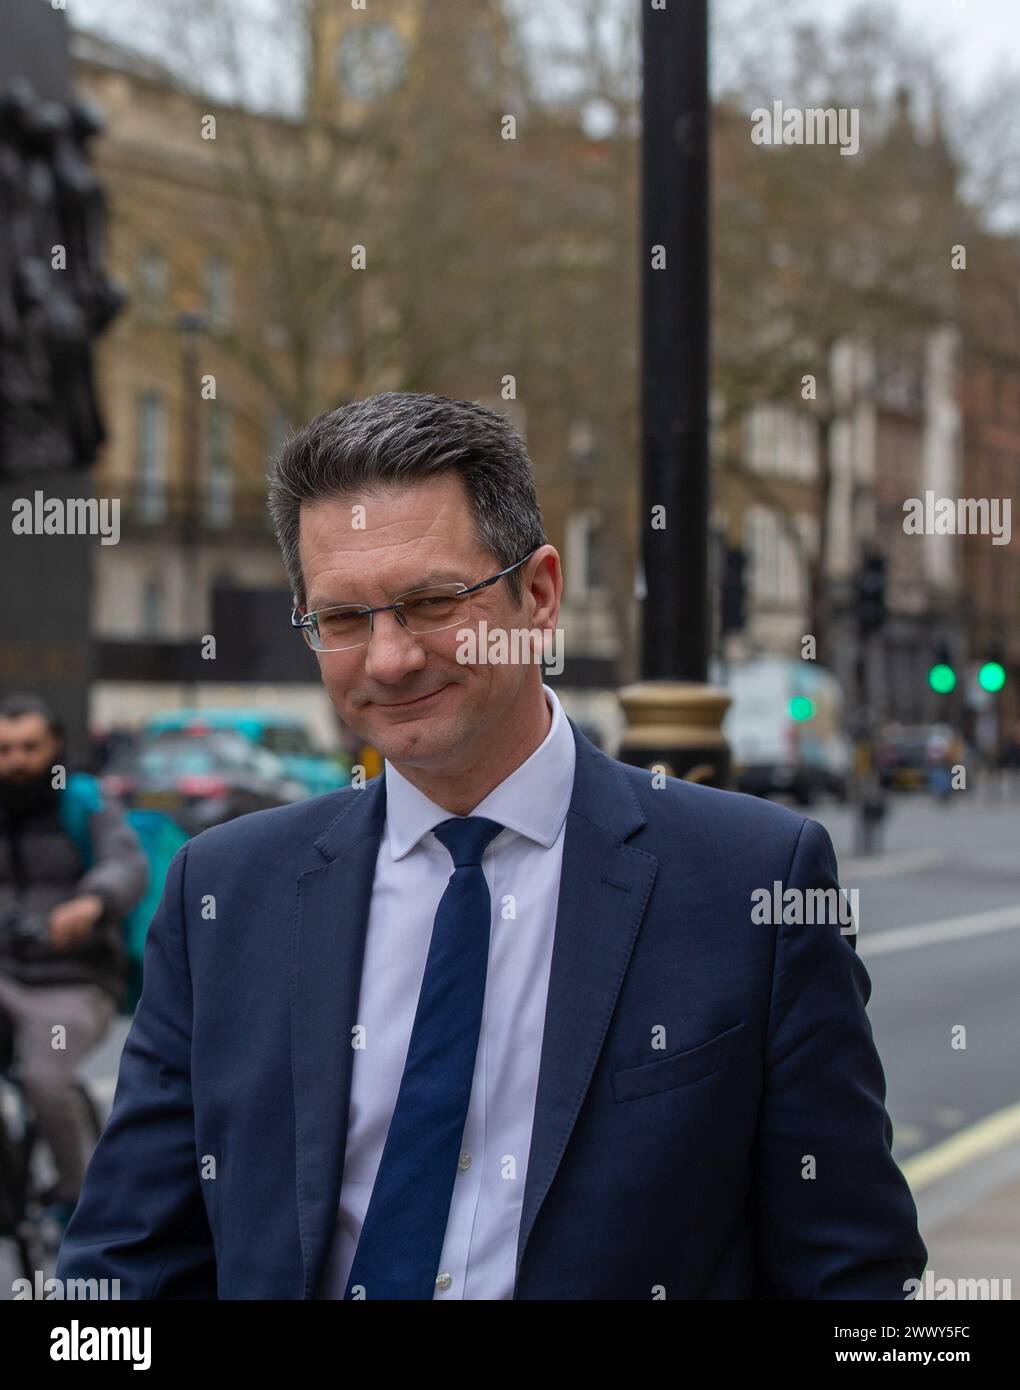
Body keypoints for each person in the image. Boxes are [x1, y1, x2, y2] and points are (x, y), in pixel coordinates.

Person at [57, 392, 927, 1299]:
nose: (389, 660)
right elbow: (126, 1264)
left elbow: (853, 1278)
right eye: (344, 620)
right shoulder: (222, 894)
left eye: (432, 603)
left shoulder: (756, 882)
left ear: (539, 593)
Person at [0, 693, 148, 1230]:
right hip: (6, 971)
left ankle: (81, 1200)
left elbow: (127, 863)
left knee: (45, 1076)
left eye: (29, 747)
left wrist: (91, 902)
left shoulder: (83, 800)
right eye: (5, 749)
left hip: (73, 977)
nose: (16, 760)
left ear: (55, 746)